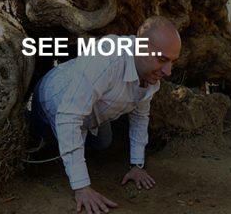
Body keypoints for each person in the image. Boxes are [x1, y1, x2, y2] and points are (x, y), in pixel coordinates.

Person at [29, 16, 182, 214]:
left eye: (172, 62)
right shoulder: (107, 58)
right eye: (162, 60)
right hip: (51, 100)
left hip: (90, 111)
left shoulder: (150, 74)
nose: (168, 71)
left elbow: (140, 116)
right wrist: (81, 187)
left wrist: (137, 165)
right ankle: (36, 134)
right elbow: (68, 118)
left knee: (103, 142)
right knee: (48, 134)